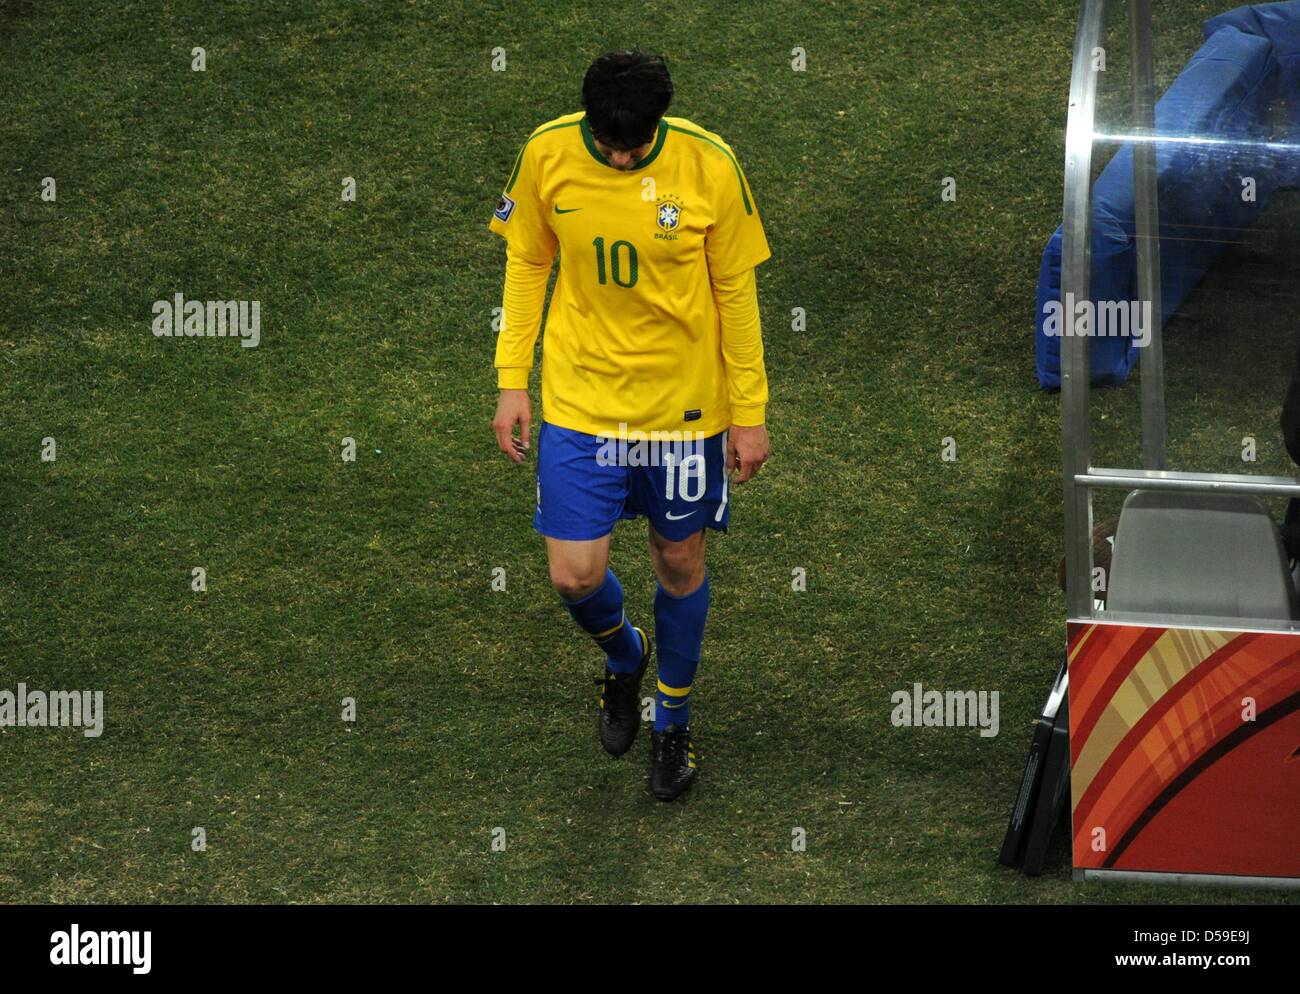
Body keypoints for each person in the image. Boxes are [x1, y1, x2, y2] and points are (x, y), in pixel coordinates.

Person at [488, 50, 772, 799]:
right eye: (608, 145)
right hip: (582, 405)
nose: (618, 157)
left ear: (658, 124)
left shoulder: (710, 166)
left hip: (683, 414)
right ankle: (624, 658)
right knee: (572, 574)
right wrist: (511, 380)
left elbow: (736, 296)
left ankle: (672, 721)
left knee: (679, 565)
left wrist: (751, 415)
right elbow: (527, 264)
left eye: (633, 147)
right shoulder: (547, 154)